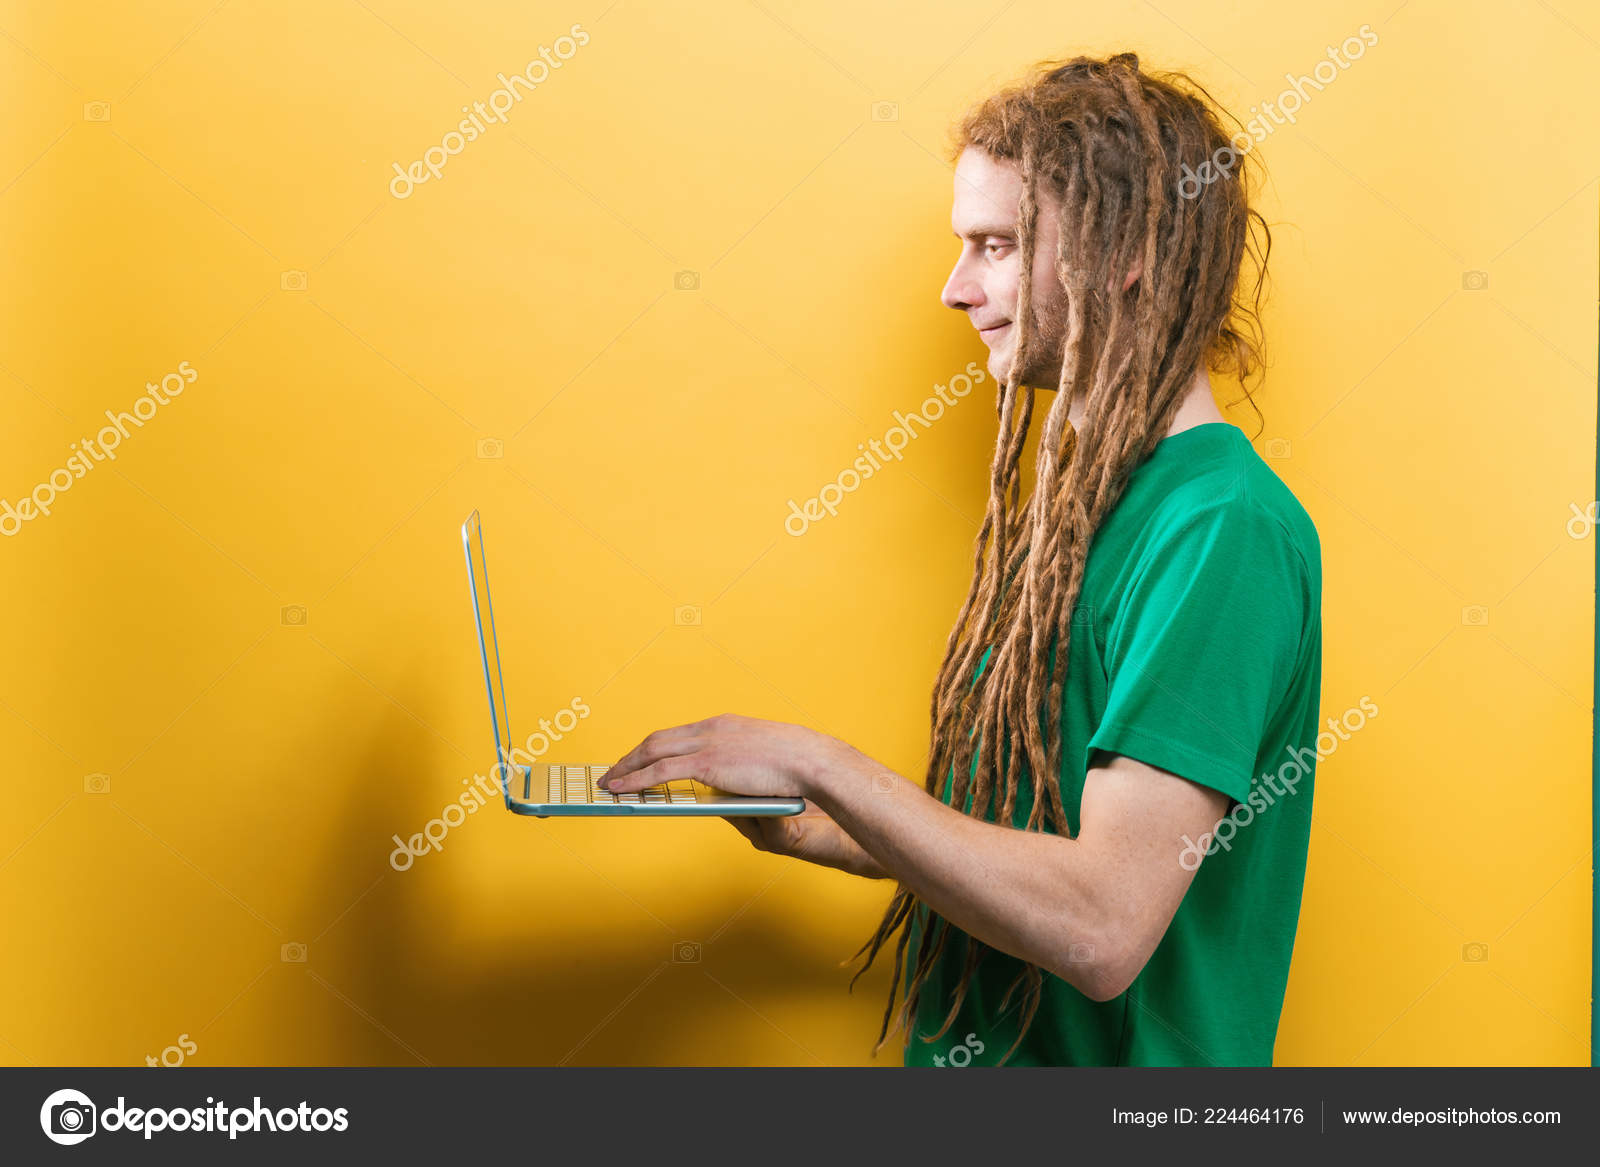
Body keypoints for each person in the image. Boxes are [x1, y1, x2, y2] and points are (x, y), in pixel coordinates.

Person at [599, 51, 1322, 1067]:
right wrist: (827, 823)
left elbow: (1103, 925)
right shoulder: (1084, 505)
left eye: (994, 245)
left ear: (1121, 255)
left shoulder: (1220, 529)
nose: (954, 289)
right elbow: (1034, 843)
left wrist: (821, 761)